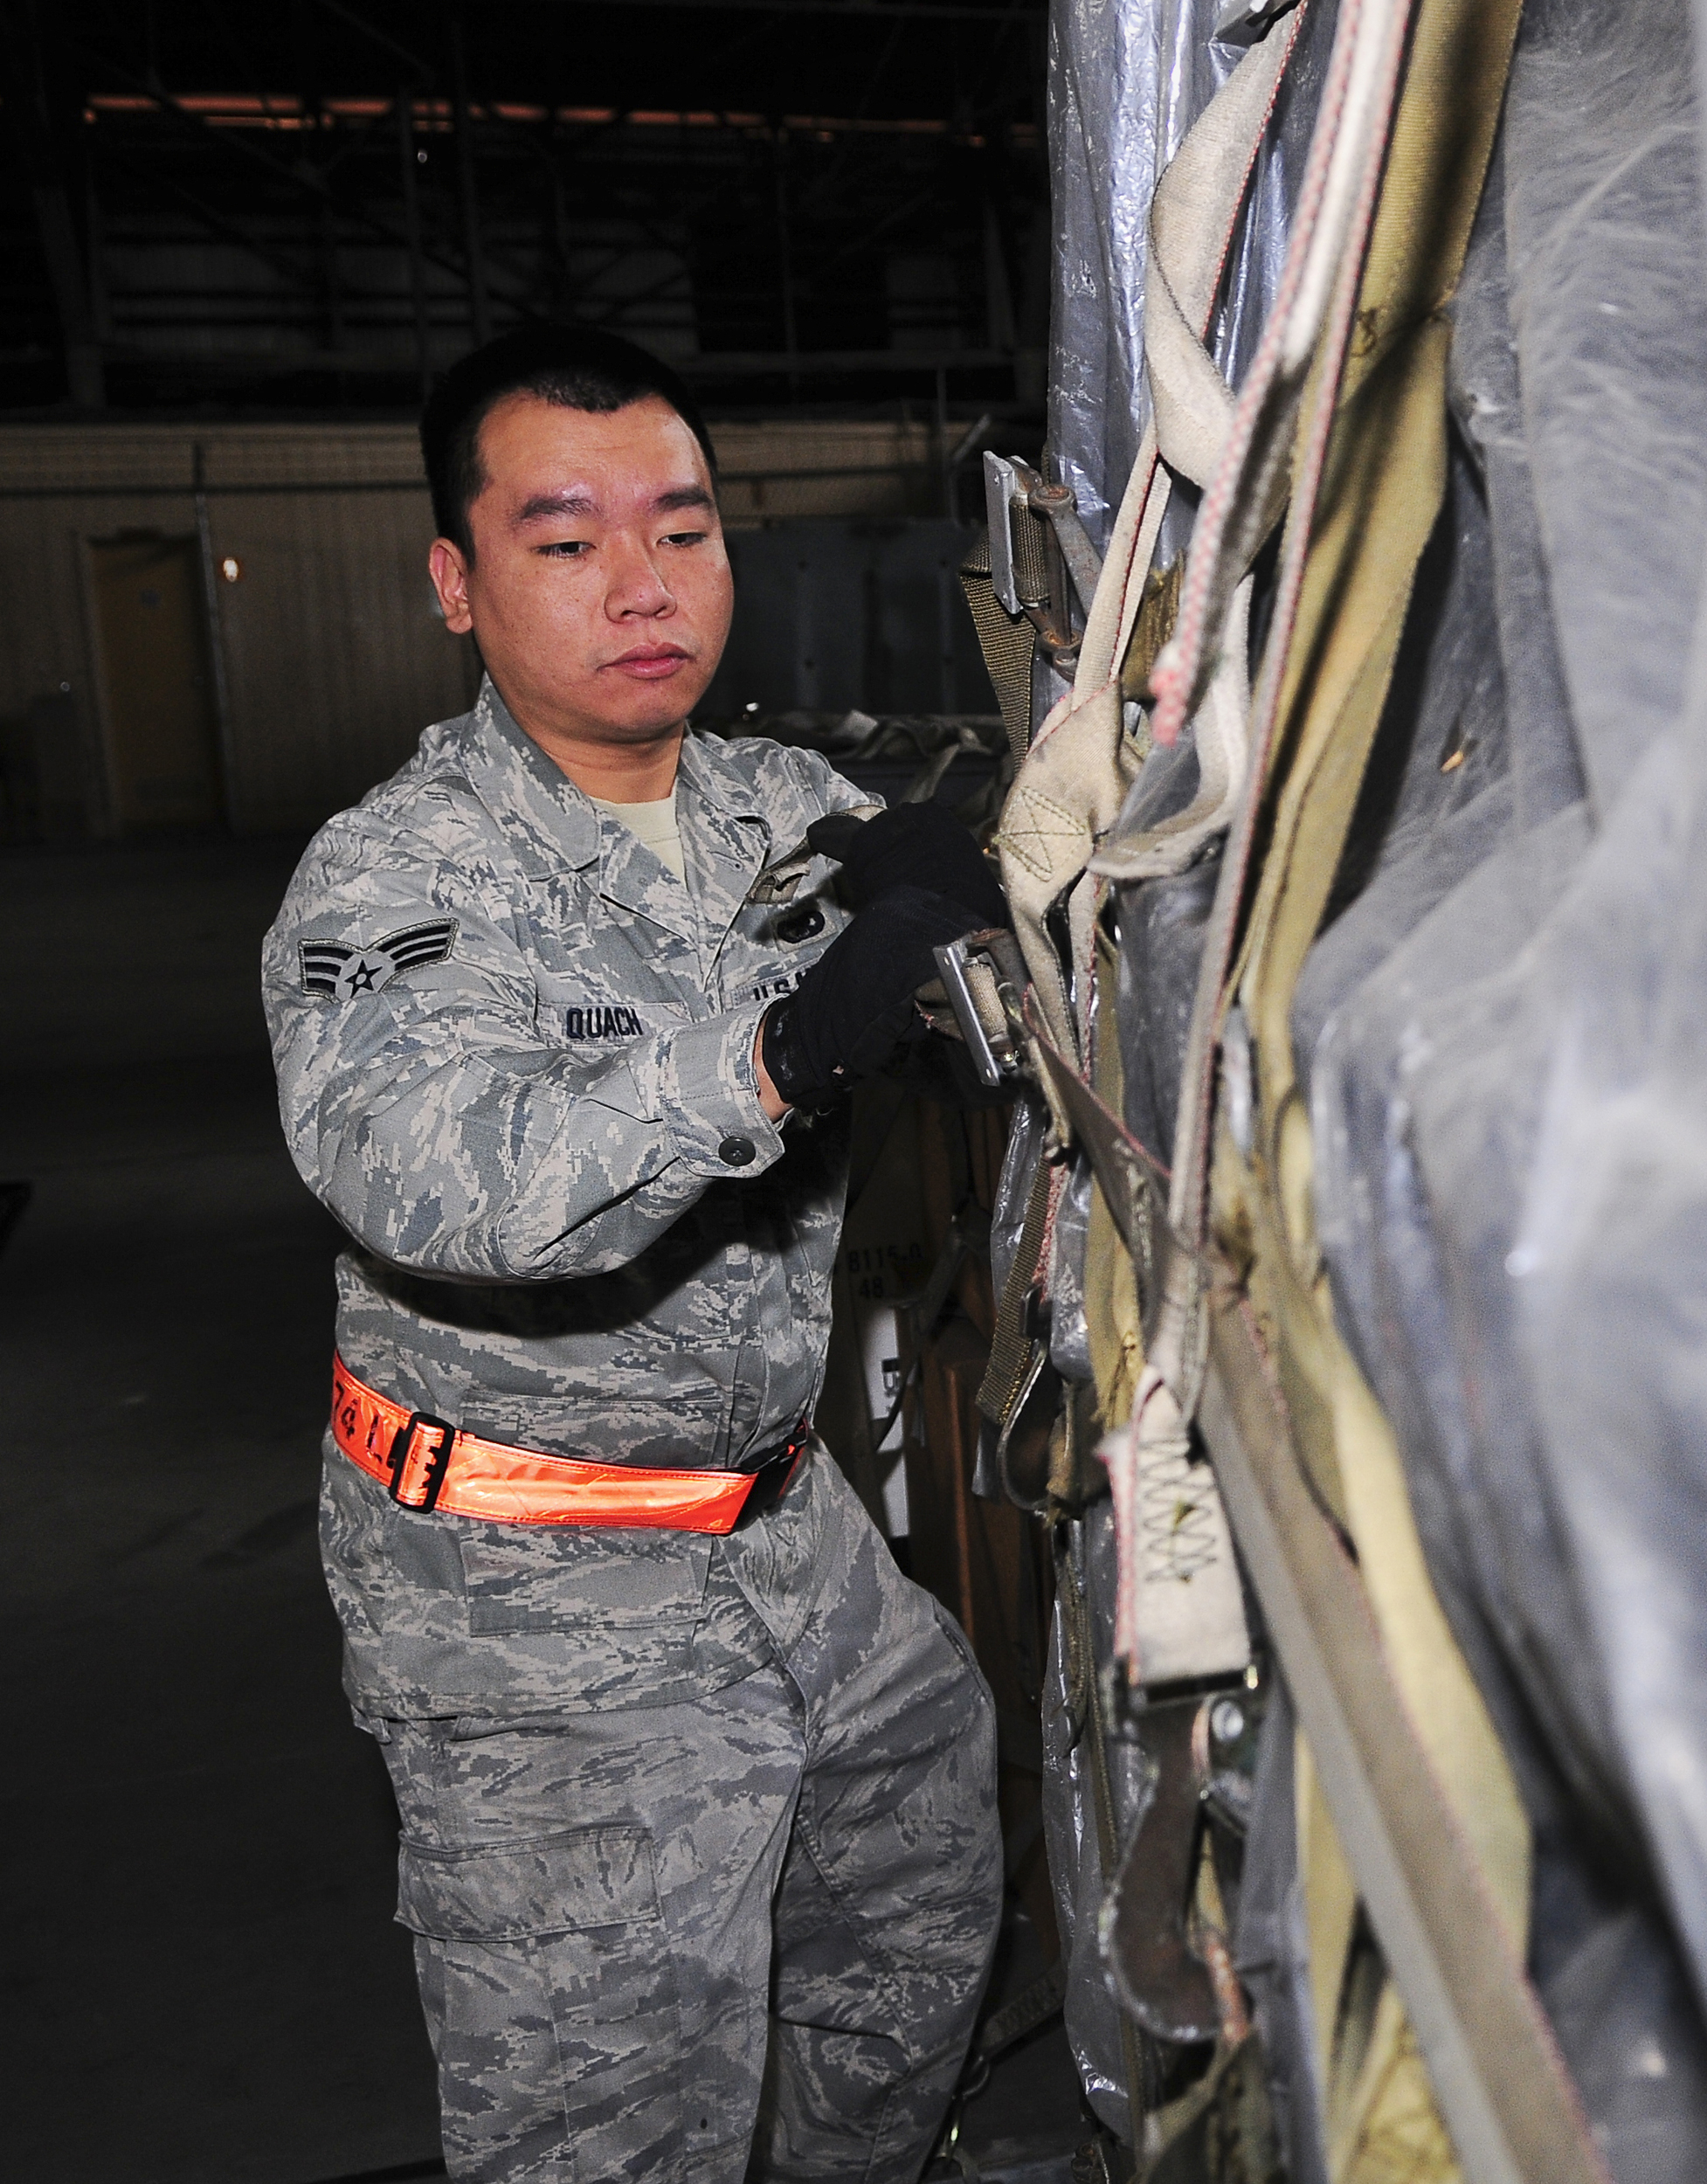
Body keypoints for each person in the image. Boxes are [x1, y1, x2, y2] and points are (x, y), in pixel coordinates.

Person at [261, 322, 1008, 2184]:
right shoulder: (393, 883)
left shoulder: (770, 813)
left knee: (915, 1915)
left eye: (680, 528)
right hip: (534, 1590)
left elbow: (922, 908)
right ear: (456, 580)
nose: (641, 584)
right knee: (611, 2121)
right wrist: (775, 1047)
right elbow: (445, 1183)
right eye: (565, 536)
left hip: (784, 1520)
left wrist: (993, 863)